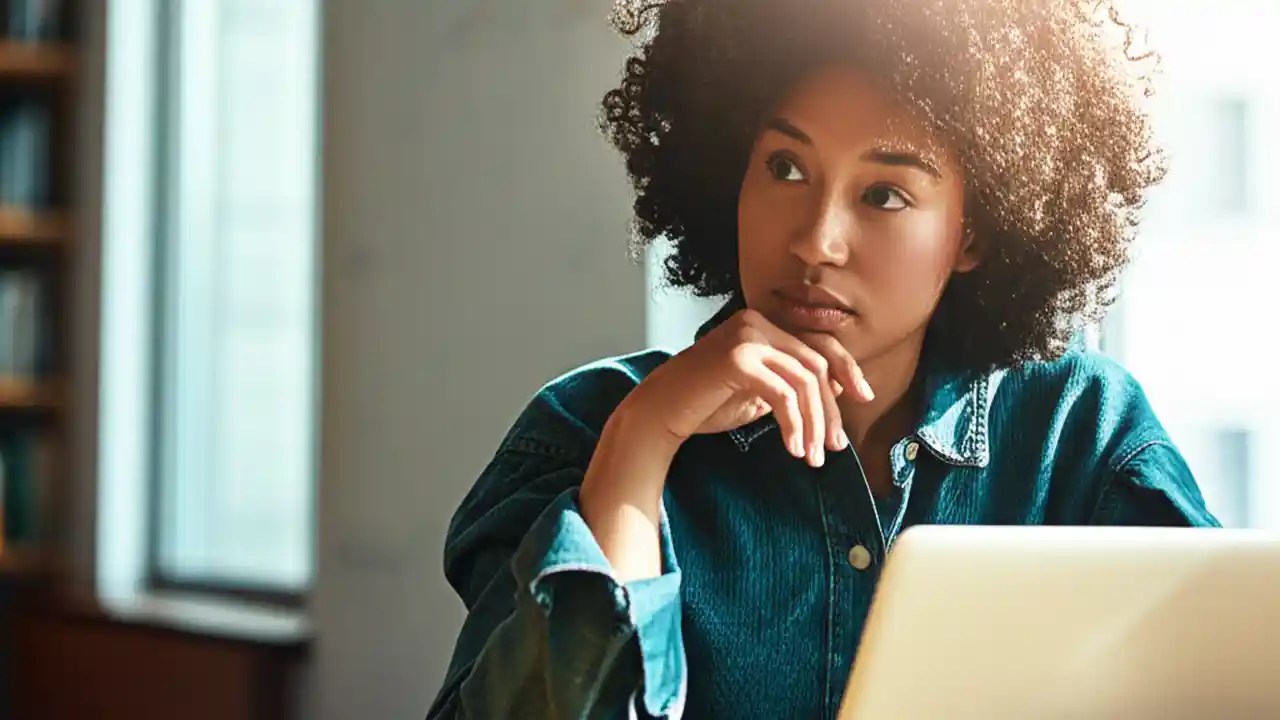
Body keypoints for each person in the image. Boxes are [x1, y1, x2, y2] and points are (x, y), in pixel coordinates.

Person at [426, 0, 1220, 717]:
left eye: (884, 195)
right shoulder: (586, 429)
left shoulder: (1080, 437)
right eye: (785, 168)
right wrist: (641, 445)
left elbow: (1218, 683)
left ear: (974, 232)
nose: (814, 240)